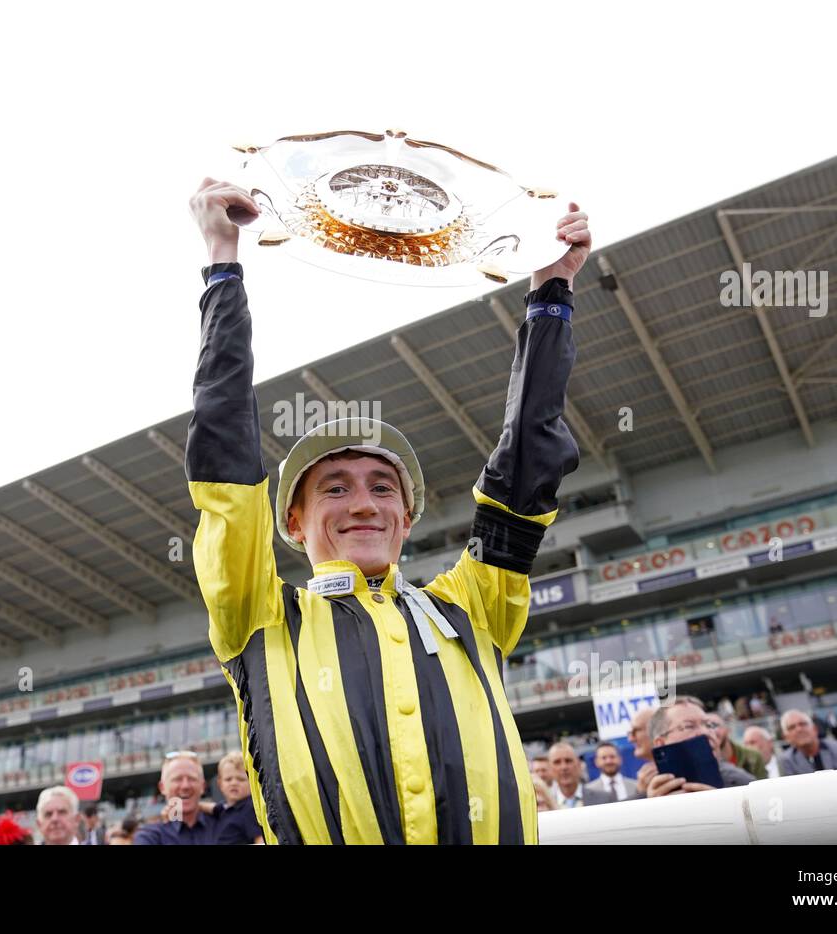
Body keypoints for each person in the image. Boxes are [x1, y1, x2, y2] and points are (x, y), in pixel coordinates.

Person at [184, 178, 588, 845]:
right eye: (335, 488)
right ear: (292, 522)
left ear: (407, 518)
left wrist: (550, 291)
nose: (363, 503)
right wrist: (222, 261)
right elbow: (225, 456)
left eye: (381, 487)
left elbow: (528, 464)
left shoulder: (474, 603)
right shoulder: (260, 614)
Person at [646, 699, 755, 796]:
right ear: (660, 744)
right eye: (689, 726)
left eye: (708, 725)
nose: (705, 732)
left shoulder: (745, 787)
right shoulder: (636, 806)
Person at [134, 753, 247, 845]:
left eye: (192, 779)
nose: (185, 786)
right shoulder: (149, 836)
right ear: (162, 787)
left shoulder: (229, 822)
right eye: (177, 779)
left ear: (203, 786)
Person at [206, 750, 264, 844]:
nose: (234, 783)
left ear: (251, 783)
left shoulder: (250, 808)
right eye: (228, 779)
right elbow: (214, 808)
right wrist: (197, 805)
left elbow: (260, 840)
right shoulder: (227, 807)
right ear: (220, 783)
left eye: (241, 779)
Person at [778, 710, 837, 774]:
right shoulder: (786, 761)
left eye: (803, 724)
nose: (799, 729)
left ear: (815, 729)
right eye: (791, 727)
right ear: (786, 737)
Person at [547, 742, 587, 808]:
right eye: (557, 762)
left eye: (568, 761)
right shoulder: (545, 804)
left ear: (579, 764)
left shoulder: (601, 798)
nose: (564, 767)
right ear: (550, 768)